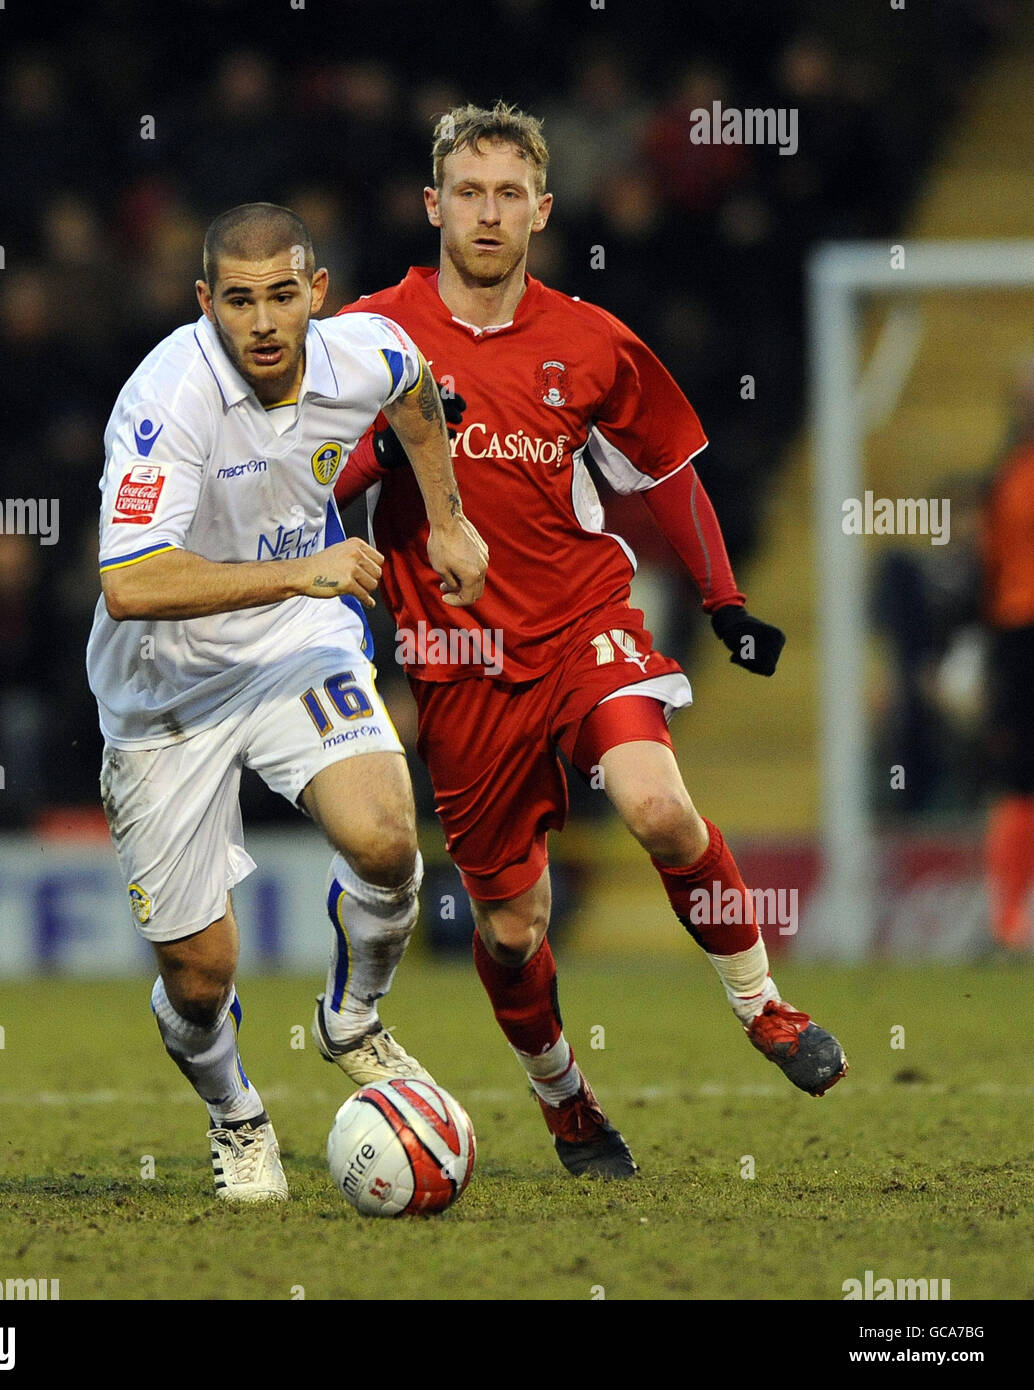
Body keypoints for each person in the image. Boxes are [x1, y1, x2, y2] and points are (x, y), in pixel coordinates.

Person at [335, 103, 846, 1181]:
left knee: (659, 804)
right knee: (515, 928)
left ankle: (765, 1007)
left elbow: (667, 471)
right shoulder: (369, 338)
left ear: (542, 210)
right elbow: (313, 480)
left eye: (508, 193)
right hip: (460, 664)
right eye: (467, 192)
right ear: (433, 205)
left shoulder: (590, 339)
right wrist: (387, 444)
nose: (487, 212)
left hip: (582, 622)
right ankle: (566, 1102)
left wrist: (722, 600)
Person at [87, 203, 487, 1202]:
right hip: (164, 683)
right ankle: (238, 1119)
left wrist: (447, 521)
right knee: (200, 973)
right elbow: (129, 584)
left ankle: (351, 1018)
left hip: (293, 649)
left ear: (314, 292)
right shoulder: (165, 400)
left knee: (389, 839)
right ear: (204, 304)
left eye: (280, 297)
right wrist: (300, 571)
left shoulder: (360, 350)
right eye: (237, 301)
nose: (262, 323)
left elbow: (414, 387)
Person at [982, 355, 1034, 953]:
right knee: (1017, 778)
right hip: (1019, 639)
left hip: (1015, 634)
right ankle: (1009, 918)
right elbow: (989, 577)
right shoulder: (1004, 480)